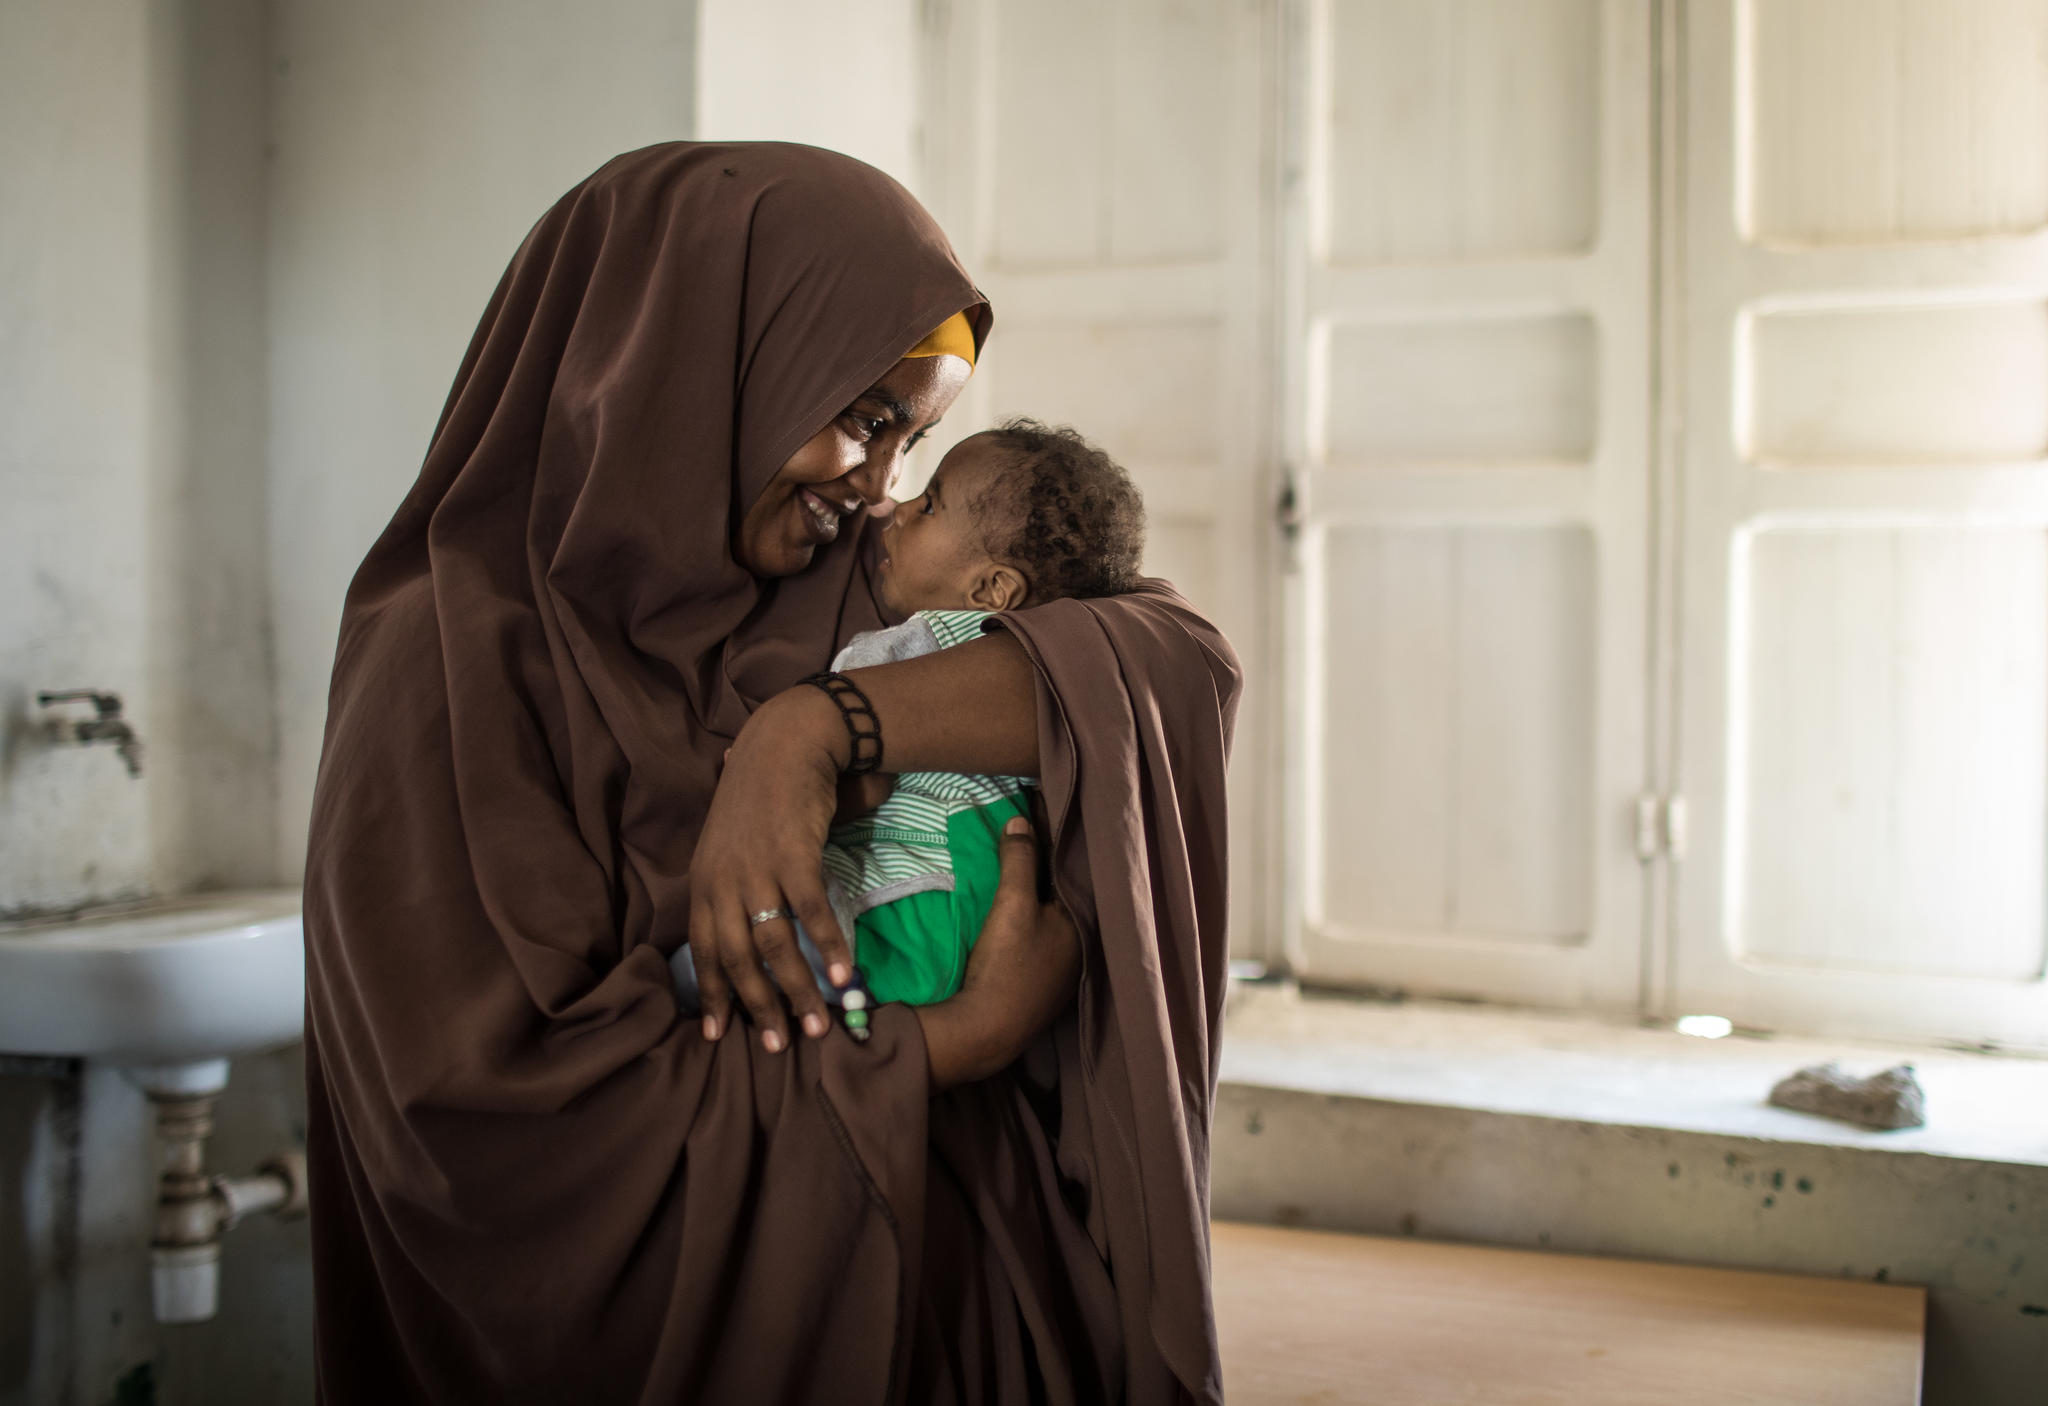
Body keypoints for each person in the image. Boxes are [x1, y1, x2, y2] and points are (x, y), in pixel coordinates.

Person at [302, 140, 1240, 1405]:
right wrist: (941, 1047)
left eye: (909, 444)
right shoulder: (449, 661)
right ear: (688, 362)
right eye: (861, 420)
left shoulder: (813, 573)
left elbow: (1165, 661)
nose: (876, 489)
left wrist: (806, 729)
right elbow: (478, 1117)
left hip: (956, 1290)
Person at [669, 418, 1146, 1018]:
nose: (896, 507)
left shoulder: (929, 642)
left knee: (783, 924)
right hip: (984, 878)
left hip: (932, 859)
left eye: (929, 505)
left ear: (993, 589)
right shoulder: (1047, 656)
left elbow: (836, 712)